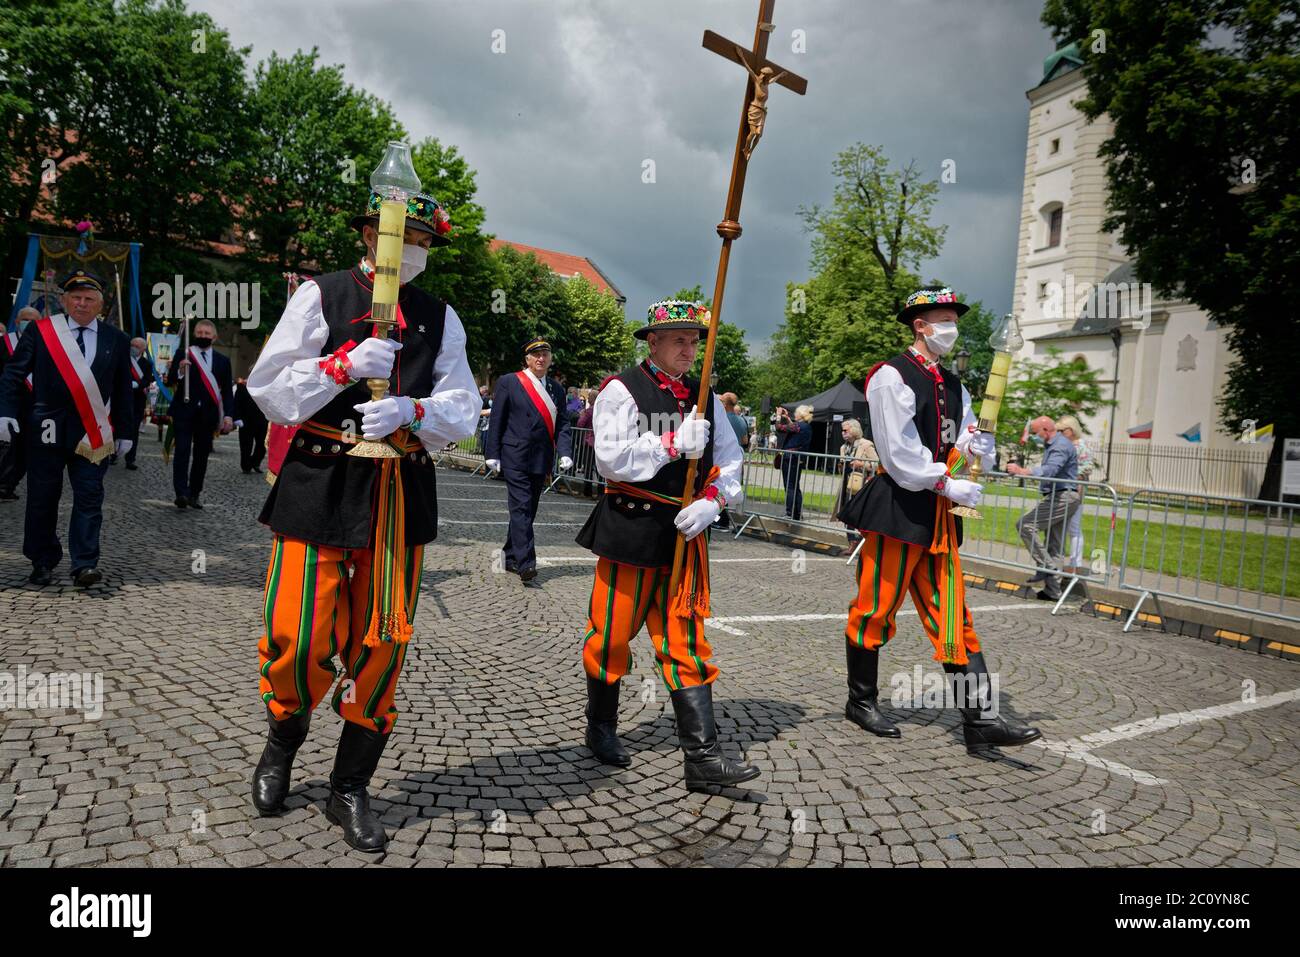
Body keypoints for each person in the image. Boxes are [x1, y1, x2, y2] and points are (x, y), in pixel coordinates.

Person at [246, 186, 478, 853]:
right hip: (320, 481)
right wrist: (341, 365)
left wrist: (415, 412)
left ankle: (350, 784)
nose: (408, 251)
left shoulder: (441, 317)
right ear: (367, 237)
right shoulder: (321, 295)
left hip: (398, 493)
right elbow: (270, 389)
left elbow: (462, 407)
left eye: (421, 242)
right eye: (396, 236)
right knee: (297, 633)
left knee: (382, 643)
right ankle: (283, 739)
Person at [837, 286, 1042, 753]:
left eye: (954, 320)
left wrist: (976, 448)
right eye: (944, 320)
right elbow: (899, 452)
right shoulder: (891, 376)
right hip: (898, 509)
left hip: (938, 518)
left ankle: (981, 721)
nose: (952, 328)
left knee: (954, 619)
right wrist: (947, 483)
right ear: (920, 326)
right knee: (874, 608)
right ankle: (860, 701)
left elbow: (963, 437)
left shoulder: (955, 384)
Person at [576, 299, 758, 790]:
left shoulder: (709, 398)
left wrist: (715, 501)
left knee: (686, 643)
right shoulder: (621, 390)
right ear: (652, 342)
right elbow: (611, 461)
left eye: (694, 339)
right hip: (630, 529)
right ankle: (601, 726)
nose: (688, 347)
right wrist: (673, 443)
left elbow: (732, 461)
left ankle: (702, 757)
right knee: (611, 635)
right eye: (678, 339)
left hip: (686, 536)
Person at [0, 271, 133, 586]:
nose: (82, 304)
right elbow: (13, 374)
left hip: (92, 432)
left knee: (89, 496)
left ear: (100, 305)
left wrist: (126, 431)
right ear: (64, 301)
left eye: (89, 299)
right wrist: (4, 411)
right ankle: (42, 560)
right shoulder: (42, 332)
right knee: (43, 497)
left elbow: (123, 389)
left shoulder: (117, 339)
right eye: (76, 297)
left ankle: (85, 563)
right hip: (47, 427)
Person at [483, 339, 574, 585]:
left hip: (541, 458)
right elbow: (498, 418)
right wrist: (492, 453)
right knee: (521, 507)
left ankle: (509, 555)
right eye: (535, 355)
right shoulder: (510, 382)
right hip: (515, 455)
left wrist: (565, 452)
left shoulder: (556, 389)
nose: (541, 359)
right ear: (527, 359)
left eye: (545, 354)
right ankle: (526, 564)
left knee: (528, 510)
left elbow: (563, 423)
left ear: (550, 358)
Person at [1007, 415, 1081, 600]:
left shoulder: (1060, 445)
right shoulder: (1055, 444)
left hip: (1063, 496)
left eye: (1035, 433)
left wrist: (1023, 471)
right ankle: (1053, 592)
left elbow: (1050, 470)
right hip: (1064, 495)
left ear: (1046, 430)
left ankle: (1046, 567)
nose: (1033, 436)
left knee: (1025, 525)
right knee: (1054, 545)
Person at [165, 318, 235, 509]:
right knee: (182, 451)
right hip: (184, 412)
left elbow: (227, 391)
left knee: (201, 456)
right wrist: (179, 370)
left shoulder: (223, 361)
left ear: (214, 337)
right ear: (194, 334)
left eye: (206, 334)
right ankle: (181, 493)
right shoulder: (184, 353)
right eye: (199, 333)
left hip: (207, 415)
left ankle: (194, 493)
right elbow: (169, 380)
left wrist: (229, 415)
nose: (203, 336)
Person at [0, 306, 39, 497]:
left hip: (33, 406)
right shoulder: (4, 343)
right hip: (7, 404)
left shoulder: (46, 346)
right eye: (25, 319)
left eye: (33, 321)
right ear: (16, 321)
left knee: (25, 449)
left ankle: (10, 483)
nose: (28, 324)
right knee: (6, 446)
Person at [836, 418, 876, 542]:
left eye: (845, 430)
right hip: (847, 484)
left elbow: (877, 464)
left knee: (858, 513)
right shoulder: (843, 447)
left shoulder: (866, 445)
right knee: (846, 513)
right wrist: (841, 466)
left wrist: (861, 464)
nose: (843, 433)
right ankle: (851, 542)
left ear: (854, 430)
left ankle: (862, 541)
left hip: (862, 484)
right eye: (842, 430)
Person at [774, 403, 812, 520]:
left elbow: (779, 428)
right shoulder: (805, 426)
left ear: (800, 414)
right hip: (798, 459)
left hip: (790, 458)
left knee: (789, 486)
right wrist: (788, 418)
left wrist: (778, 416)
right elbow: (794, 428)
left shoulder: (798, 426)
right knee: (795, 486)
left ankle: (789, 513)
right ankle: (796, 514)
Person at [122, 337, 154, 471]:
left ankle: (130, 459)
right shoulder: (123, 358)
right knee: (117, 427)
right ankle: (112, 454)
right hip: (122, 398)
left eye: (136, 346)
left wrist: (138, 384)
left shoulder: (146, 364)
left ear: (142, 349)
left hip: (137, 400)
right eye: (131, 344)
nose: (133, 347)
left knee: (134, 430)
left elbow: (148, 379)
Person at [233, 376, 268, 473]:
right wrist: (237, 418)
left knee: (261, 445)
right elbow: (236, 404)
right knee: (246, 446)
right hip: (246, 421)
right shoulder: (242, 387)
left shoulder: (265, 386)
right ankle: (246, 466)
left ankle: (255, 462)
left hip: (261, 420)